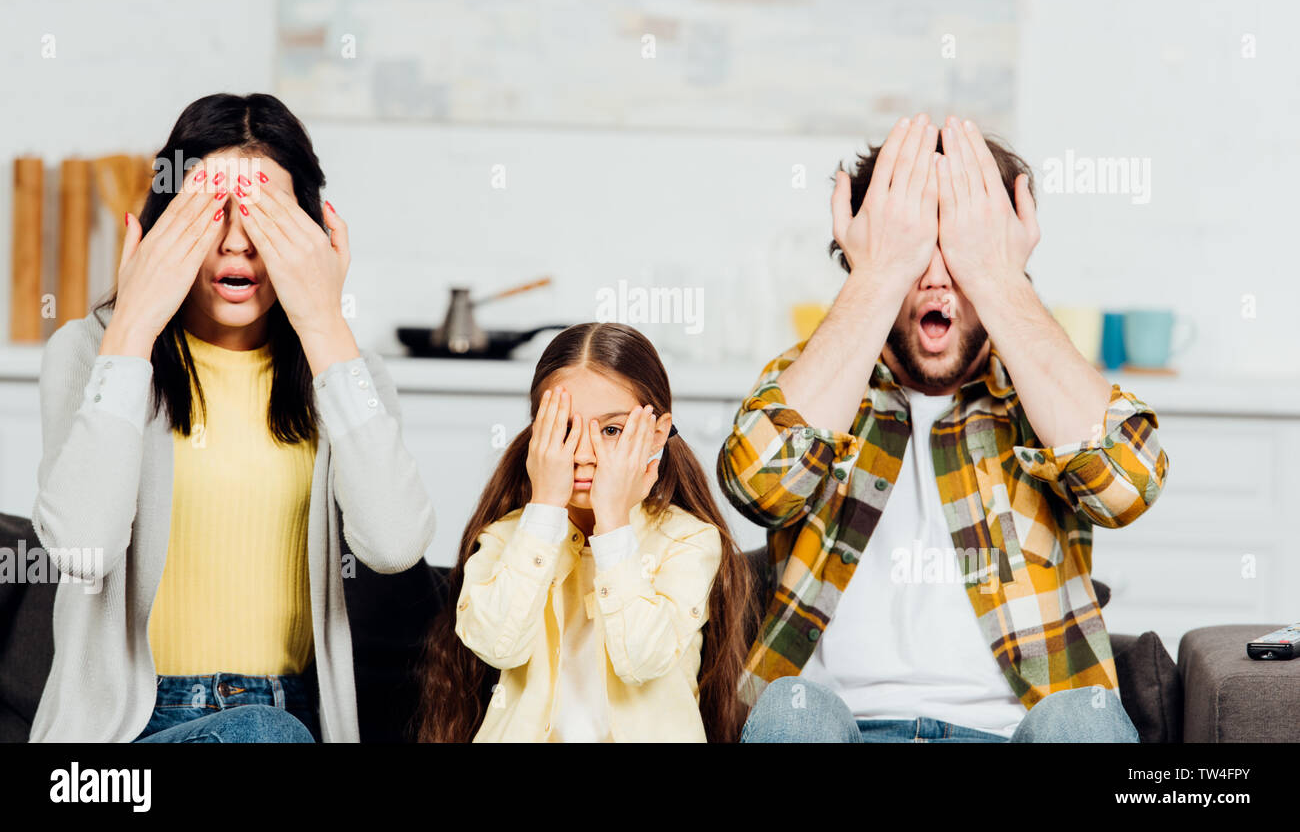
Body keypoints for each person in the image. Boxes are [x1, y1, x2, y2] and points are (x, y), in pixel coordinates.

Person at [720, 113, 1169, 742]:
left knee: (1082, 719)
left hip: (1017, 733)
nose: (935, 276)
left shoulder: (1038, 390)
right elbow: (757, 487)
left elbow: (1130, 485)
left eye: (958, 246)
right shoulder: (816, 379)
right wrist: (877, 274)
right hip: (844, 728)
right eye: (912, 246)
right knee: (791, 710)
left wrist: (995, 278)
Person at [28, 93, 436, 743]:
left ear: (313, 233)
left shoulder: (349, 374)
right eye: (211, 214)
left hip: (291, 720)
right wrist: (134, 319)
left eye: (267, 218)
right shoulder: (89, 351)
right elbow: (83, 546)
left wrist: (325, 321)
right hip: (126, 734)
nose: (240, 242)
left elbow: (393, 545)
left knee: (264, 730)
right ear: (165, 223)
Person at [416, 323, 755, 742]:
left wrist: (612, 521)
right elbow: (496, 644)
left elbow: (642, 660)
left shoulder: (689, 541)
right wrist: (542, 510)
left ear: (658, 434)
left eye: (610, 430)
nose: (582, 454)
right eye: (564, 429)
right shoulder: (508, 537)